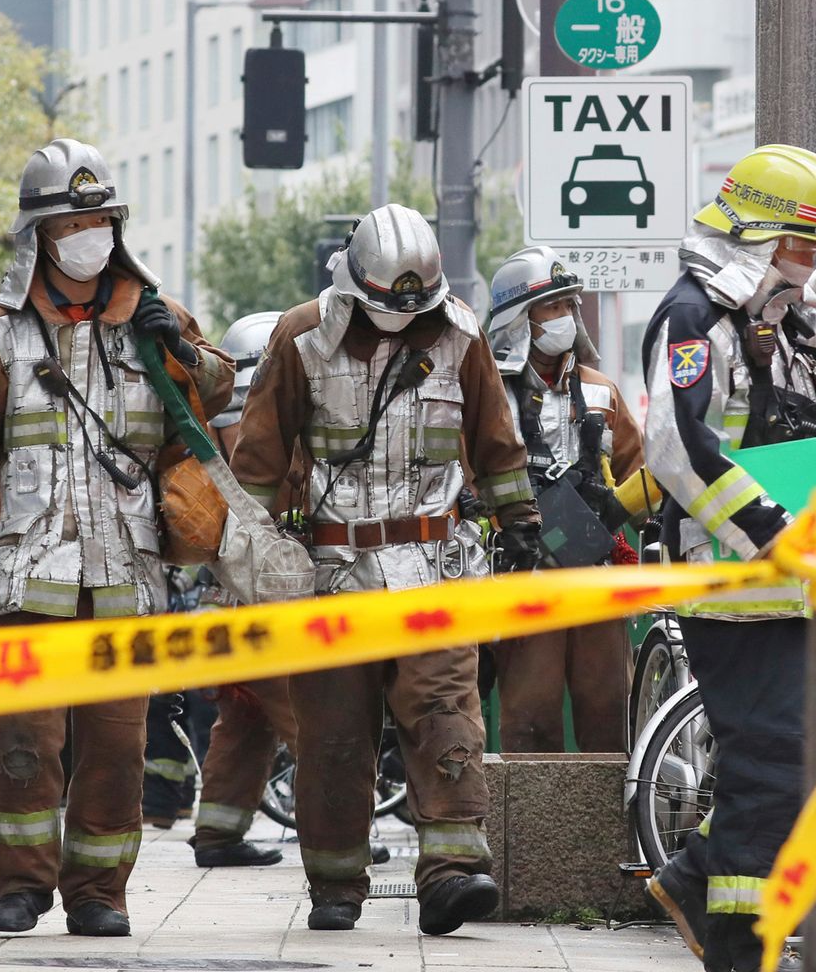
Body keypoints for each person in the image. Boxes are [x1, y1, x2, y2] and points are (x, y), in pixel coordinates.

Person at [0, 138, 231, 938]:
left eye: (99, 221)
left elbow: (222, 393)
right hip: (23, 576)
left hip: (126, 576)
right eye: (71, 223)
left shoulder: (157, 320)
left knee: (117, 750)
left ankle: (99, 893)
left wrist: (181, 351)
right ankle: (21, 885)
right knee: (19, 742)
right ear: (40, 236)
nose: (88, 236)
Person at [640, 146, 816, 972]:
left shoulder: (767, 316)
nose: (814, 259)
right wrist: (770, 530)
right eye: (806, 243)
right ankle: (737, 940)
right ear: (761, 234)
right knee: (773, 765)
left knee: (800, 758)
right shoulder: (696, 319)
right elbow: (677, 450)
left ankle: (699, 882)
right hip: (737, 587)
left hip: (787, 584)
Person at [232, 203, 541, 936]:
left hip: (435, 569)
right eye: (387, 305)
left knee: (446, 717)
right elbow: (259, 459)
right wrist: (249, 559)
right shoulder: (302, 338)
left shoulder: (460, 334)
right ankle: (336, 884)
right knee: (334, 736)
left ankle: (452, 872)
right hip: (333, 574)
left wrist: (520, 518)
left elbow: (495, 442)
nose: (402, 317)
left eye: (415, 305)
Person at [485, 247, 645, 753]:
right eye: (551, 307)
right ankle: (532, 807)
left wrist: (629, 516)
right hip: (524, 577)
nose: (565, 317)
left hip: (595, 573)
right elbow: (467, 477)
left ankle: (613, 804)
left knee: (610, 708)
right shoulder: (490, 397)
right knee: (530, 715)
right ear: (519, 319)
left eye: (568, 305)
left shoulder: (600, 392)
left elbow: (637, 470)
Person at [185, 310, 303, 868]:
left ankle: (218, 833)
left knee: (245, 723)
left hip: (230, 599)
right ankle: (336, 831)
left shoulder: (212, 429)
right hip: (265, 601)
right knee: (311, 719)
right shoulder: (258, 427)